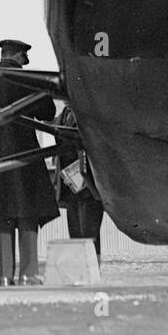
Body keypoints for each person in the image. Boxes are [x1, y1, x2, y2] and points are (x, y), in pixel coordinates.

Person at [0, 39, 58, 285]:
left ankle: (5, 276)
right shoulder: (25, 80)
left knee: (1, 216)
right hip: (23, 156)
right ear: (19, 56)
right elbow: (47, 112)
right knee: (27, 214)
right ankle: (28, 273)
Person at [54, 106, 105, 260]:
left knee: (89, 233)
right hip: (70, 186)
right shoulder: (64, 114)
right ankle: (81, 268)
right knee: (75, 234)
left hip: (87, 186)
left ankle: (92, 267)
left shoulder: (84, 111)